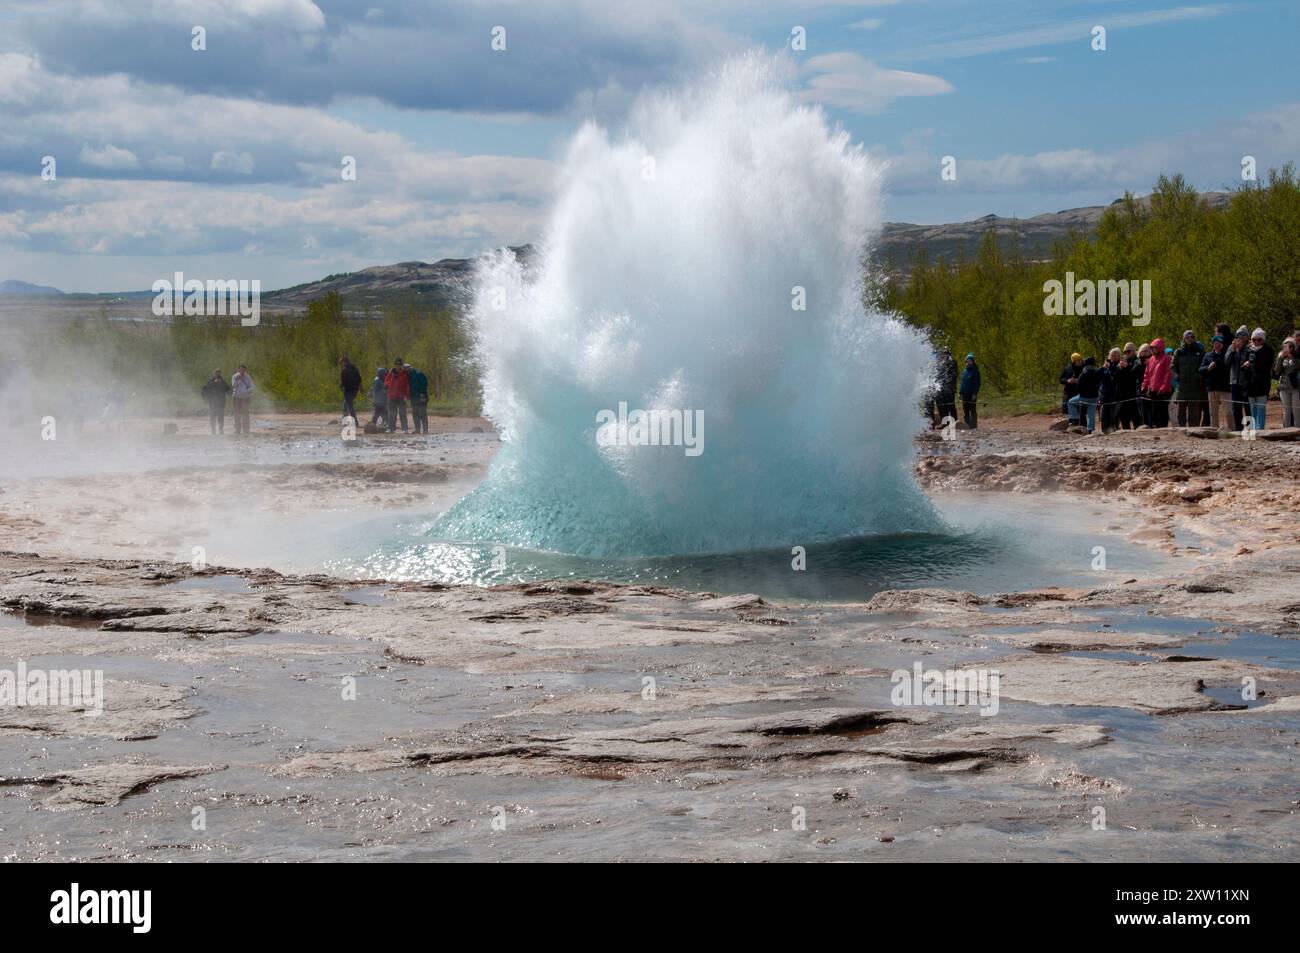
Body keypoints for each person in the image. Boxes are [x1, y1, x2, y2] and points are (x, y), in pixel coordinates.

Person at [1173, 330, 1207, 427]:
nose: (1190, 339)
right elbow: (1172, 366)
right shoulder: (1179, 351)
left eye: (1192, 337)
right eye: (1187, 337)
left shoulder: (1200, 351)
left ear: (1194, 338)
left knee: (1194, 413)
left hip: (1195, 386)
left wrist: (1199, 376)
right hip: (1182, 386)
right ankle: (1182, 431)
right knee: (1181, 412)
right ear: (1184, 339)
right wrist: (1177, 376)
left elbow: (1204, 365)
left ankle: (1194, 431)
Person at [1199, 336, 1232, 431]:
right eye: (1215, 343)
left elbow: (1229, 367)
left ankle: (1232, 429)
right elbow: (1200, 369)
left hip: (1225, 387)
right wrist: (1207, 368)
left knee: (1228, 411)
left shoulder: (1227, 355)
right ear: (1213, 344)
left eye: (1219, 343)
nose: (1217, 345)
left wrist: (1218, 364)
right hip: (1212, 387)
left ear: (1222, 344)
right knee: (1213, 412)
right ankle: (1214, 429)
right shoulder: (1207, 355)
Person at [1244, 328, 1274, 431]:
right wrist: (1245, 365)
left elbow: (1267, 365)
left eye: (1259, 340)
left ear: (1263, 340)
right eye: (1254, 340)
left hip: (1263, 383)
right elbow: (1242, 366)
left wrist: (1253, 363)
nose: (1256, 342)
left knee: (1260, 407)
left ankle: (1260, 429)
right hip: (1250, 384)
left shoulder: (1268, 350)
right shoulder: (1248, 350)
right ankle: (1252, 429)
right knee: (1252, 407)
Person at [1143, 338, 1172, 428]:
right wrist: (1144, 386)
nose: (1153, 350)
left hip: (1163, 391)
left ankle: (1163, 428)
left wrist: (1163, 388)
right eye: (1152, 348)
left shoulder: (1167, 358)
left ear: (1160, 347)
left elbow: (1168, 374)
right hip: (1152, 390)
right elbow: (1147, 374)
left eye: (1155, 347)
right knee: (1153, 411)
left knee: (1162, 412)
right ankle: (1155, 428)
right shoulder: (1151, 360)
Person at [1068, 356, 1102, 433]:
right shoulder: (1097, 371)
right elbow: (1100, 383)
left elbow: (1078, 386)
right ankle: (1091, 429)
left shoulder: (1083, 372)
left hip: (1083, 397)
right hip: (1094, 397)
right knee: (1091, 413)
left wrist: (1080, 392)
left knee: (1070, 402)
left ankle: (1075, 418)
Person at [1226, 327, 1249, 431]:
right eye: (1239, 335)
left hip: (1246, 383)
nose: (1241, 337)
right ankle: (1238, 430)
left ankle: (1249, 430)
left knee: (1248, 408)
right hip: (1234, 382)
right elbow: (1226, 362)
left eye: (1243, 335)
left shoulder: (1250, 348)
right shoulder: (1232, 348)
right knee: (1236, 408)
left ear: (1247, 337)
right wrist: (1234, 350)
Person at [1273, 338, 1299, 428]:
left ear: (1294, 347)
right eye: (1286, 346)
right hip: (1284, 386)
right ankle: (1286, 431)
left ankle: (1297, 432)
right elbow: (1276, 371)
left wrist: (1291, 357)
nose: (1288, 348)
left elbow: (1298, 366)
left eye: (1290, 346)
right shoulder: (1280, 356)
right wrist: (1280, 358)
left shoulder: (1296, 355)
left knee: (1296, 411)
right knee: (1286, 411)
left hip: (1295, 387)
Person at [1115, 342, 1139, 429]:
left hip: (1133, 397)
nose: (1126, 354)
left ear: (1134, 351)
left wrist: (1127, 367)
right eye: (1125, 352)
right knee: (1124, 421)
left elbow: (1133, 376)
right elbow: (1115, 378)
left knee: (1137, 421)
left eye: (1128, 351)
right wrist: (1120, 368)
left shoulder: (1137, 362)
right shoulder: (1122, 363)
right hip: (1122, 397)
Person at [1100, 348, 1124, 433]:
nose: (1114, 357)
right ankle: (1104, 430)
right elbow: (1100, 376)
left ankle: (1113, 429)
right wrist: (1102, 368)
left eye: (1116, 355)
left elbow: (1116, 375)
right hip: (1105, 393)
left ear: (1119, 356)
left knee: (1114, 414)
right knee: (1104, 414)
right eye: (1112, 355)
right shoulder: (1106, 365)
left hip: (1115, 394)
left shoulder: (1120, 365)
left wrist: (1110, 367)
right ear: (1110, 356)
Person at [201, 369, 231, 435]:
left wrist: (230, 391)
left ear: (220, 374)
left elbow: (228, 390)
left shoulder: (223, 381)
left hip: (221, 402)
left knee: (220, 416)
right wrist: (206, 399)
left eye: (219, 373)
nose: (217, 374)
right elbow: (204, 390)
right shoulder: (210, 381)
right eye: (216, 373)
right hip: (212, 402)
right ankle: (213, 430)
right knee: (212, 416)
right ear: (213, 374)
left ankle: (221, 430)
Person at [384, 358, 410, 433]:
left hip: (401, 396)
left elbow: (407, 385)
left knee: (402, 413)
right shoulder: (391, 372)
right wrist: (388, 384)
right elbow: (386, 381)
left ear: (401, 365)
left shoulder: (404, 373)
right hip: (392, 395)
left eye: (399, 364)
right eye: (396, 364)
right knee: (392, 413)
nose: (398, 366)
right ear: (394, 365)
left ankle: (405, 429)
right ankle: (391, 428)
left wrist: (407, 395)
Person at [936, 348, 958, 427]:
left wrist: (947, 382)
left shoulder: (952, 362)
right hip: (941, 388)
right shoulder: (940, 363)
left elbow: (953, 375)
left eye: (946, 353)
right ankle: (944, 423)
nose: (945, 355)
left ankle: (954, 423)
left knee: (950, 406)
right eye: (944, 353)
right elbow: (938, 375)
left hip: (949, 388)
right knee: (942, 406)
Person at [1059, 352, 1083, 422]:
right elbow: (1061, 379)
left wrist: (1078, 380)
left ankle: (1082, 427)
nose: (1080, 362)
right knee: (1069, 410)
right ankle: (1072, 425)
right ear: (1073, 361)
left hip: (1079, 392)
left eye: (1080, 360)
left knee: (1081, 412)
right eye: (1078, 360)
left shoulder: (1084, 368)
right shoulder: (1067, 369)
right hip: (1069, 392)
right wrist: (1067, 381)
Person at [407, 364, 430, 434]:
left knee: (423, 413)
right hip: (413, 397)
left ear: (410, 368)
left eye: (408, 369)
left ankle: (425, 430)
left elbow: (424, 383)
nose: (407, 371)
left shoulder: (418, 373)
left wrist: (422, 393)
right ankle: (417, 429)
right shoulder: (409, 376)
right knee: (415, 414)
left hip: (421, 396)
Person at [959, 353, 980, 429]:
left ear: (973, 361)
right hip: (964, 394)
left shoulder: (975, 371)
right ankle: (967, 425)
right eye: (967, 361)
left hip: (972, 394)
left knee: (973, 410)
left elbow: (977, 384)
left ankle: (974, 426)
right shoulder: (964, 371)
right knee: (966, 410)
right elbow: (962, 383)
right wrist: (960, 393)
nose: (969, 362)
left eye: (970, 360)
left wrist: (975, 393)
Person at [1135, 343, 1154, 427]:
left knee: (1152, 410)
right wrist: (1142, 364)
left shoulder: (1154, 359)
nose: (1145, 352)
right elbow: (1133, 372)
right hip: (1141, 389)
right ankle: (1145, 426)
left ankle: (1152, 425)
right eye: (1143, 351)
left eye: (1147, 350)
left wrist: (1149, 364)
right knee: (1143, 410)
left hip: (1152, 389)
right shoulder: (1137, 361)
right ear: (1140, 352)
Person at [231, 365, 253, 435]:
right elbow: (234, 386)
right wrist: (238, 380)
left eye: (243, 370)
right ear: (238, 370)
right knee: (237, 414)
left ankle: (246, 430)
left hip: (245, 397)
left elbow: (252, 386)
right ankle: (237, 430)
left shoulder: (248, 377)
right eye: (240, 370)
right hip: (236, 397)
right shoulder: (235, 376)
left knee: (245, 413)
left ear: (245, 370)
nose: (242, 371)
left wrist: (247, 390)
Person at [339, 356, 362, 424]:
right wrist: (360, 388)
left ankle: (355, 421)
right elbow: (359, 379)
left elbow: (343, 382)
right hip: (355, 390)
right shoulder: (355, 368)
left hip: (348, 390)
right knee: (346, 404)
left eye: (341, 362)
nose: (341, 364)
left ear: (344, 362)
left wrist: (342, 388)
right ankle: (344, 419)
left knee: (350, 406)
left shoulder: (344, 370)